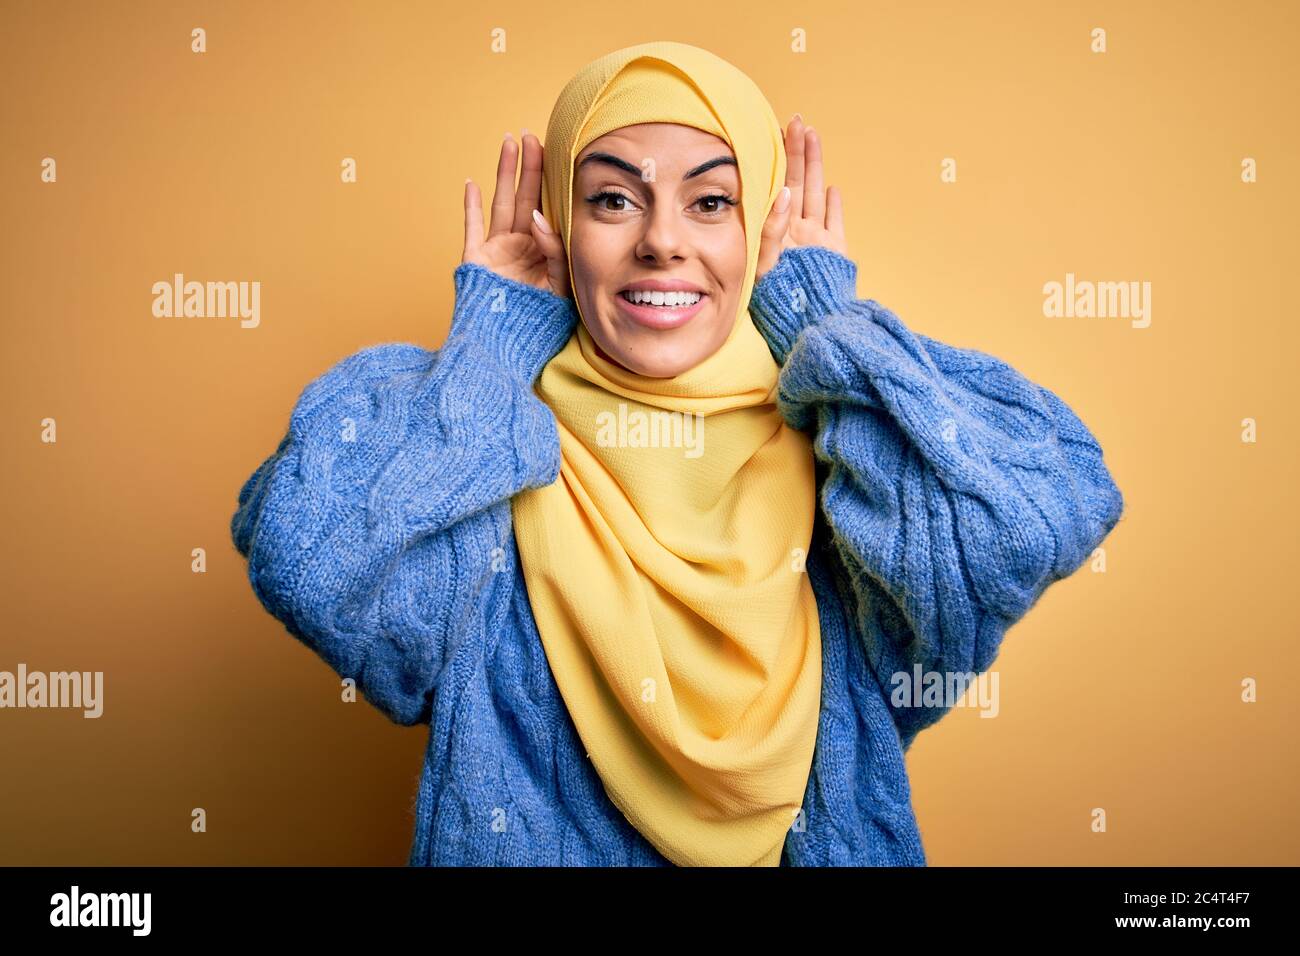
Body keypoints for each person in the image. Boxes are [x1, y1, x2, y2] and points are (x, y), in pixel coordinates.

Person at [230, 40, 1124, 867]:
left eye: (711, 202)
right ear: (561, 229)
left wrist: (823, 326)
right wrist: (491, 348)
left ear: (755, 233)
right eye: (613, 199)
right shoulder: (475, 441)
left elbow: (1020, 529)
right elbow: (318, 572)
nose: (661, 239)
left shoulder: (848, 454)